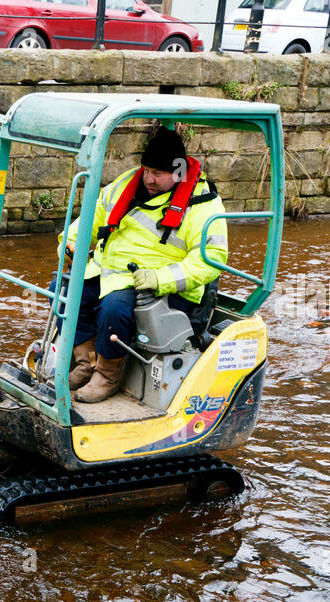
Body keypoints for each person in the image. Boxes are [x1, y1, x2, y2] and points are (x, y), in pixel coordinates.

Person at [59, 125, 229, 403]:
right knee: (64, 288)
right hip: (115, 273)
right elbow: (94, 215)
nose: (148, 179)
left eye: (158, 174)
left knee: (114, 307)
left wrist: (160, 279)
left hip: (167, 287)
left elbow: (211, 261)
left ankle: (107, 376)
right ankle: (85, 362)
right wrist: (71, 243)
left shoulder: (203, 204)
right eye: (146, 170)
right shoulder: (127, 183)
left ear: (178, 172)